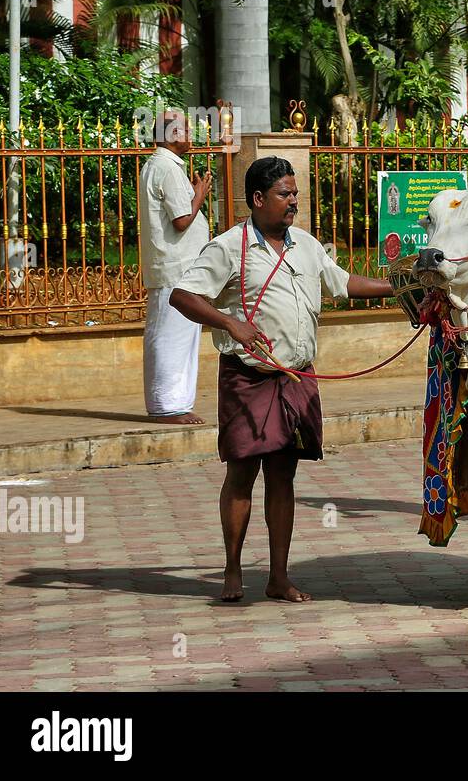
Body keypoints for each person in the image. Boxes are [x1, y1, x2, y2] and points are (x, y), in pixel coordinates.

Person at [170, 157, 392, 603]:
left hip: (297, 379)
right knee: (241, 473)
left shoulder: (306, 245)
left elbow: (344, 283)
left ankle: (278, 576)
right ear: (257, 199)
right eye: (284, 194)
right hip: (249, 378)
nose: (293, 201)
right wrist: (231, 324)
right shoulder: (229, 247)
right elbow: (182, 295)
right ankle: (232, 570)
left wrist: (401, 286)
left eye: (294, 193)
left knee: (283, 476)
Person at [138, 109, 212, 425]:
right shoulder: (166, 168)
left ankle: (173, 403)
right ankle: (167, 405)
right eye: (184, 130)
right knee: (172, 337)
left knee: (174, 335)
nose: (190, 135)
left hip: (174, 267)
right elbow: (182, 220)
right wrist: (200, 194)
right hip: (175, 269)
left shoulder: (157, 166)